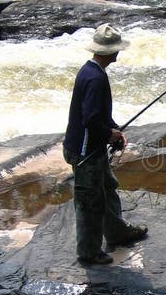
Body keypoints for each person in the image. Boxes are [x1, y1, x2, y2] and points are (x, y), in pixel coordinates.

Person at [63, 23, 147, 265]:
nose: (118, 53)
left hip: (89, 146)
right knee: (90, 201)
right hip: (84, 151)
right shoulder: (96, 78)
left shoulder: (90, 71)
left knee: (107, 187)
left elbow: (98, 115)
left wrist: (115, 130)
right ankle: (88, 252)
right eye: (117, 49)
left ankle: (117, 232)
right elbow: (90, 119)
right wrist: (108, 135)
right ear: (112, 52)